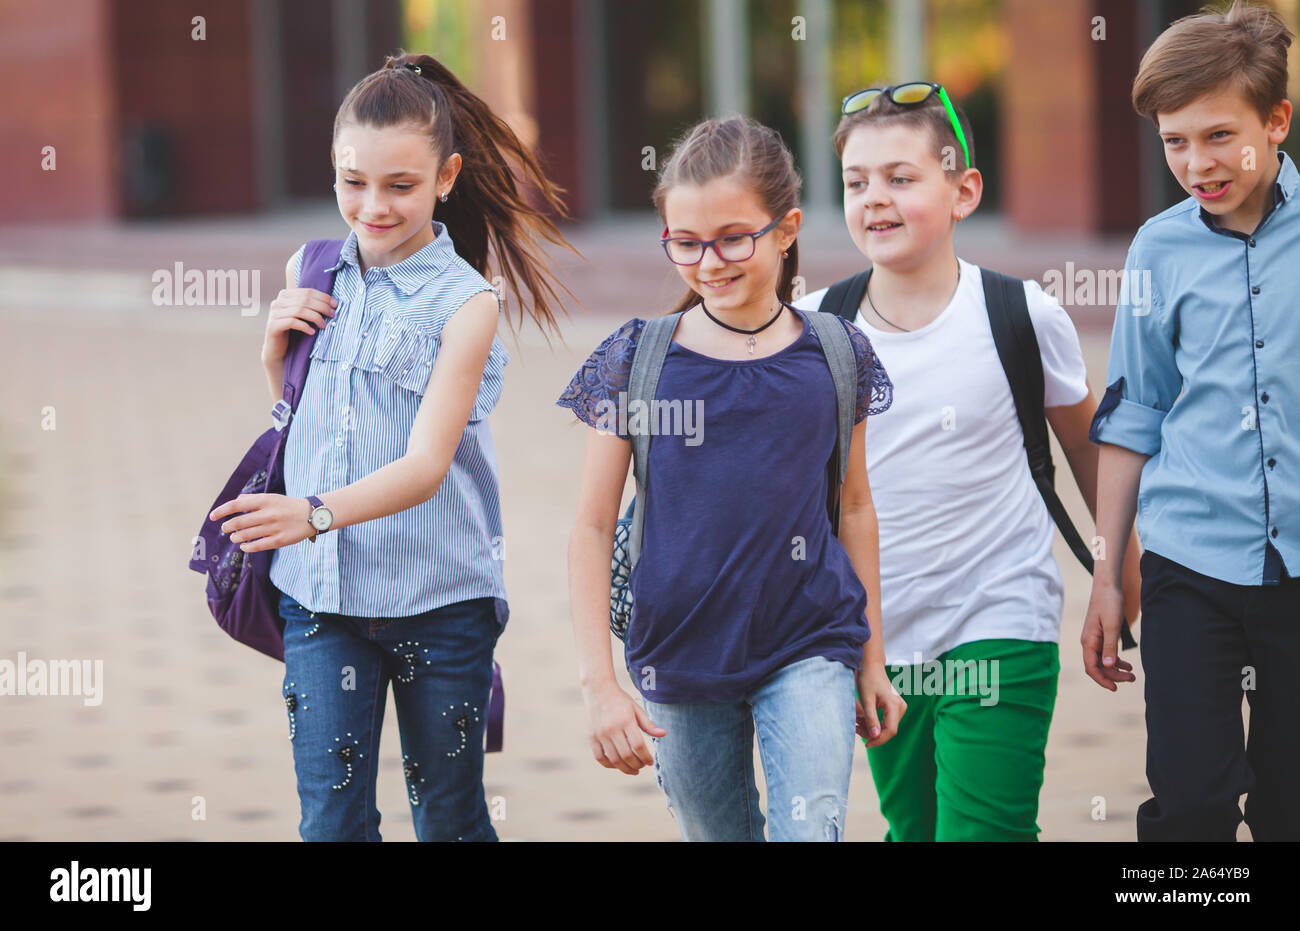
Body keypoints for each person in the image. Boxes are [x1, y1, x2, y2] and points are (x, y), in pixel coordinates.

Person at [209, 52, 578, 841]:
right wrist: (273, 353)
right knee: (331, 822)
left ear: (446, 177)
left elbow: (425, 464)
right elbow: (300, 417)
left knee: (448, 819)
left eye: (400, 186)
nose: (372, 206)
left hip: (439, 604)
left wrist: (308, 514)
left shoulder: (467, 304)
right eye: (354, 182)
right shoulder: (311, 268)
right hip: (323, 600)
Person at [795, 83, 1142, 841]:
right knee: (913, 828)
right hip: (876, 638)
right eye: (856, 182)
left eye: (901, 177)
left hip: (1001, 618)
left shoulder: (1021, 315)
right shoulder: (818, 325)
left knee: (984, 830)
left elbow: (1087, 448)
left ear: (964, 190)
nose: (874, 199)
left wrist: (1117, 574)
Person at [557, 116, 905, 842]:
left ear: (787, 230)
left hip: (810, 642)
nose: (709, 261)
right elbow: (590, 525)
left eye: (733, 237)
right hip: (679, 658)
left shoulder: (838, 354)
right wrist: (599, 685)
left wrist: (871, 657)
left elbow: (855, 507)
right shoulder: (636, 359)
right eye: (685, 242)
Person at [1085, 0, 1299, 841]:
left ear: (1276, 120)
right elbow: (1136, 410)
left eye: (1218, 136)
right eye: (1175, 141)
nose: (1195, 162)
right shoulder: (1157, 250)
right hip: (1189, 566)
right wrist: (1108, 575)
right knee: (1190, 806)